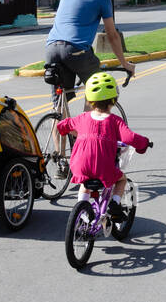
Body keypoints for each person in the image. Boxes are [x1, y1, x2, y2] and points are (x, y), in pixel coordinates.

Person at [57, 71, 151, 221]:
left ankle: (81, 209)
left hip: (79, 165)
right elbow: (129, 137)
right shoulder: (115, 120)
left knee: (85, 183)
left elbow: (63, 125)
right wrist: (144, 144)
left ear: (89, 100)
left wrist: (67, 130)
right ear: (114, 99)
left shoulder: (82, 118)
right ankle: (114, 204)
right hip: (104, 167)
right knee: (121, 179)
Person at [45, 0, 136, 100]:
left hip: (51, 49)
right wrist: (124, 63)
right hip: (76, 51)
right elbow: (112, 35)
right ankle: (88, 122)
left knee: (61, 98)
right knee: (98, 91)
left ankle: (57, 119)